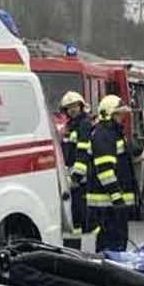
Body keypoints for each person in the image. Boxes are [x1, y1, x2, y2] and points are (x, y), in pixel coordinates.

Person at [88, 95, 133, 253]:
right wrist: (117, 197)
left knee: (117, 243)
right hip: (107, 203)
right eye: (119, 114)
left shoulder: (112, 132)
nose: (122, 117)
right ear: (110, 114)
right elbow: (105, 170)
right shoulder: (103, 134)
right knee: (111, 246)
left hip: (111, 202)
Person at [58, 91, 93, 238]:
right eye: (69, 107)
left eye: (75, 106)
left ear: (81, 106)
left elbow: (83, 152)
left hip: (80, 179)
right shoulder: (70, 126)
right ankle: (75, 239)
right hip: (71, 177)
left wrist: (76, 177)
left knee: (79, 213)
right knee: (73, 213)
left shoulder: (84, 125)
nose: (72, 109)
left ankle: (80, 242)